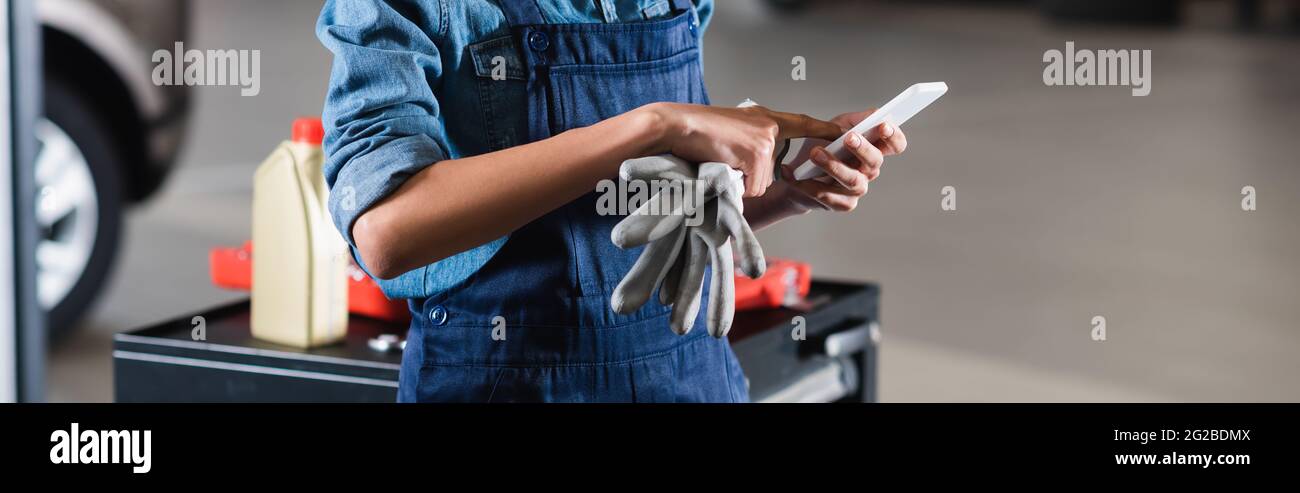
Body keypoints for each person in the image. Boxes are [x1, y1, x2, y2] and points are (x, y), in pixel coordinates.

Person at [317, 0, 908, 402]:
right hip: (509, 379)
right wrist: (652, 125)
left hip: (691, 378)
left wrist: (784, 192)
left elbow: (653, 214)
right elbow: (386, 231)